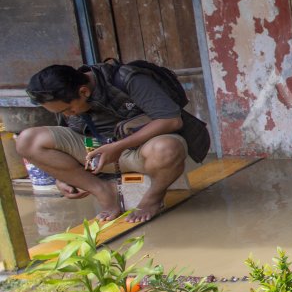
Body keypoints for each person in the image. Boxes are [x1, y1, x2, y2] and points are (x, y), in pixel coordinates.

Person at [18, 62, 205, 223]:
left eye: (68, 109)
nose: (66, 114)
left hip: (139, 150)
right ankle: (103, 191)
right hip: (98, 154)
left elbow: (172, 120)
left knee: (168, 148)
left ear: (83, 91)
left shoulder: (128, 79)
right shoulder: (67, 100)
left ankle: (153, 197)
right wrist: (63, 176)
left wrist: (119, 146)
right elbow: (63, 143)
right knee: (28, 141)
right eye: (61, 112)